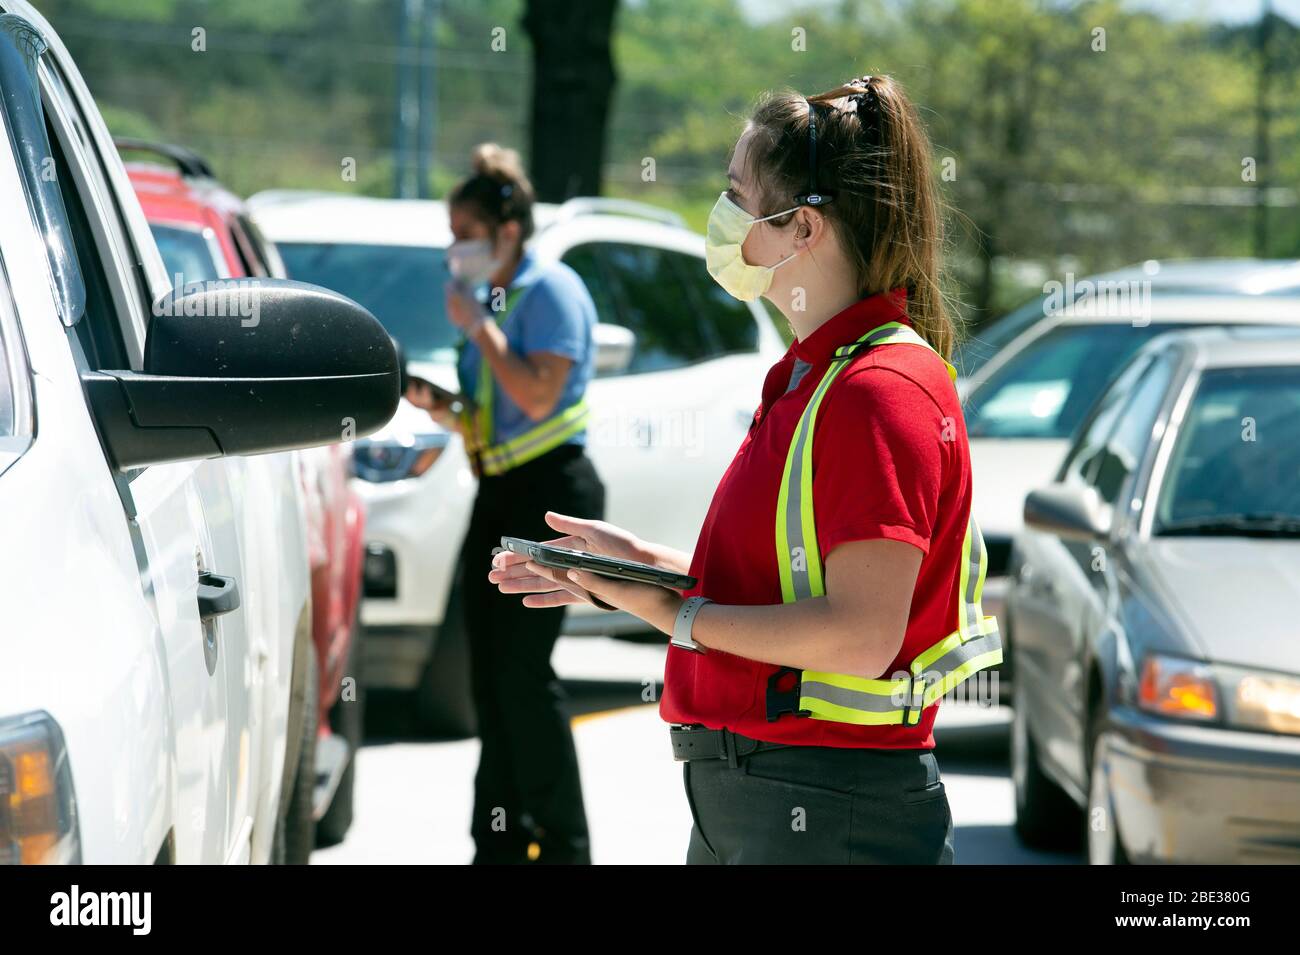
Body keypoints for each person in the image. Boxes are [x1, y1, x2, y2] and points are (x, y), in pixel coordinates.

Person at [488, 76, 1001, 864]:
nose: (722, 221)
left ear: (802, 228)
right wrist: (639, 571)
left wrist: (675, 614)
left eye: (737, 196)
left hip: (823, 803)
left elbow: (862, 634)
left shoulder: (877, 390)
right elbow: (785, 591)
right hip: (773, 798)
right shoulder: (813, 374)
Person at [406, 143, 605, 864]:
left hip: (549, 493)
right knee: (489, 679)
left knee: (526, 677)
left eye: (466, 231)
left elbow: (539, 393)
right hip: (499, 492)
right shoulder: (493, 299)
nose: (455, 247)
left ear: (508, 231)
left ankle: (562, 843)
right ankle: (498, 837)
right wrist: (443, 406)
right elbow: (494, 407)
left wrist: (476, 328)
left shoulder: (548, 291)